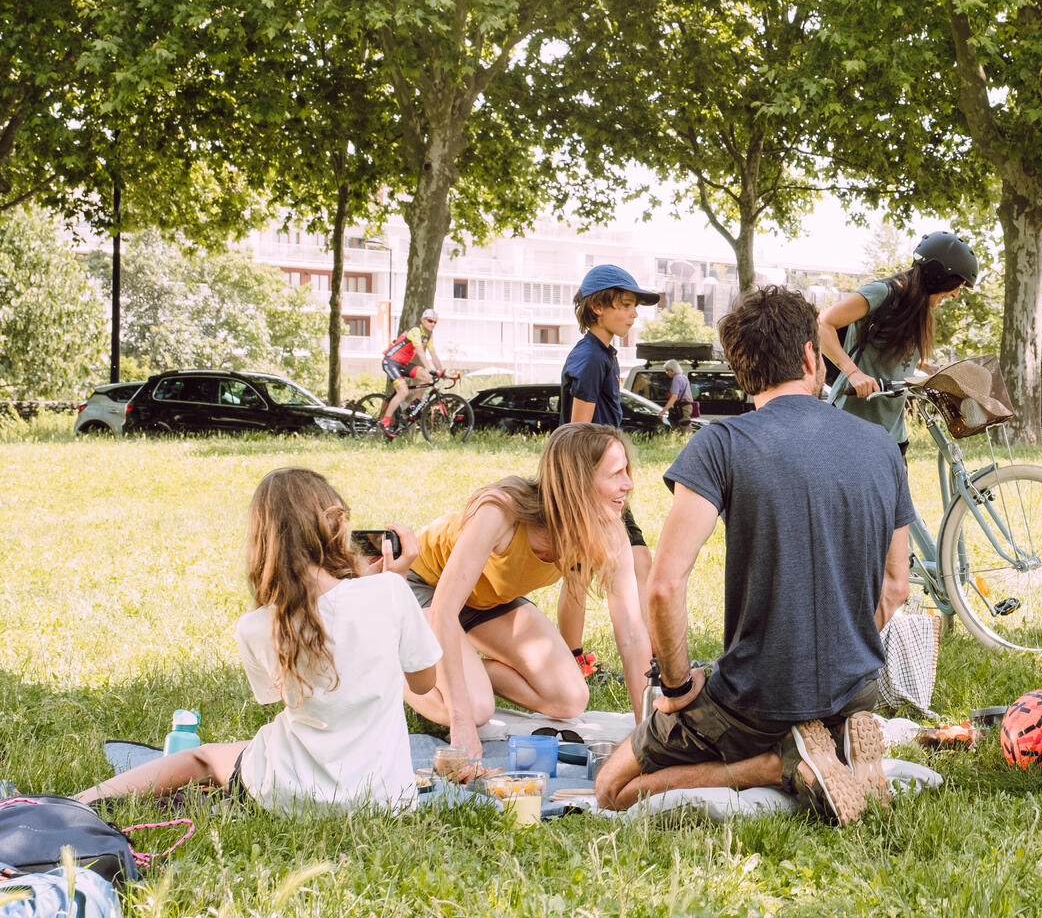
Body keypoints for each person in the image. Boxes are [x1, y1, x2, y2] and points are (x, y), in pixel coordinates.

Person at [595, 285, 914, 826]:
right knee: (834, 699)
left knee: (612, 787)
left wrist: (675, 687)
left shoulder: (721, 443)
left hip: (753, 702)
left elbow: (665, 584)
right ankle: (832, 745)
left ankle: (777, 766)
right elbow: (897, 587)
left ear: (742, 373)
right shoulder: (882, 446)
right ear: (812, 358)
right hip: (855, 691)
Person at [77, 468, 441, 812]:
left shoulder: (258, 625)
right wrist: (393, 579)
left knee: (203, 757)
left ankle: (79, 801)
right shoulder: (389, 591)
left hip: (286, 792)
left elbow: (280, 696)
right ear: (336, 524)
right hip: (384, 797)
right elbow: (424, 684)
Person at [402, 423, 653, 759]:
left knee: (570, 698)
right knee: (474, 711)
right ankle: (395, 667)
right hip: (427, 587)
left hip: (488, 599)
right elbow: (446, 609)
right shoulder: (500, 512)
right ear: (577, 483)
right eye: (617, 473)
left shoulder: (607, 531)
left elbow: (633, 635)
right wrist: (461, 725)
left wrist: (647, 731)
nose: (628, 484)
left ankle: (462, 676)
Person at [818, 231, 978, 451]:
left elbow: (889, 347)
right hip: (851, 425)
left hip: (892, 432)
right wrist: (853, 373)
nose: (955, 295)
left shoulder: (917, 305)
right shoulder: (882, 293)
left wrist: (924, 365)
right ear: (938, 276)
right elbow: (823, 324)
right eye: (956, 286)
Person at [561, 264, 660, 428]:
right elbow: (577, 433)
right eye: (627, 304)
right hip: (591, 453)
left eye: (635, 306)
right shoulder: (591, 356)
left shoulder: (603, 353)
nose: (634, 314)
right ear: (598, 307)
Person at [378, 309, 454, 435]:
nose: (432, 324)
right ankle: (385, 422)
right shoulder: (415, 331)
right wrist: (431, 369)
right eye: (430, 321)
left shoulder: (428, 336)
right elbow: (420, 353)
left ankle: (414, 403)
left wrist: (441, 372)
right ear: (422, 320)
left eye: (435, 322)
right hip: (391, 362)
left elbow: (433, 354)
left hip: (403, 364)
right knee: (403, 391)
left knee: (427, 377)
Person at [661, 360, 693, 428]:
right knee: (686, 427)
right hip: (687, 406)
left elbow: (674, 397)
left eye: (667, 370)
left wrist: (663, 411)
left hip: (681, 407)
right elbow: (690, 395)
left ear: (672, 370)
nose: (667, 373)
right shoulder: (684, 377)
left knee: (682, 429)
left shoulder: (676, 379)